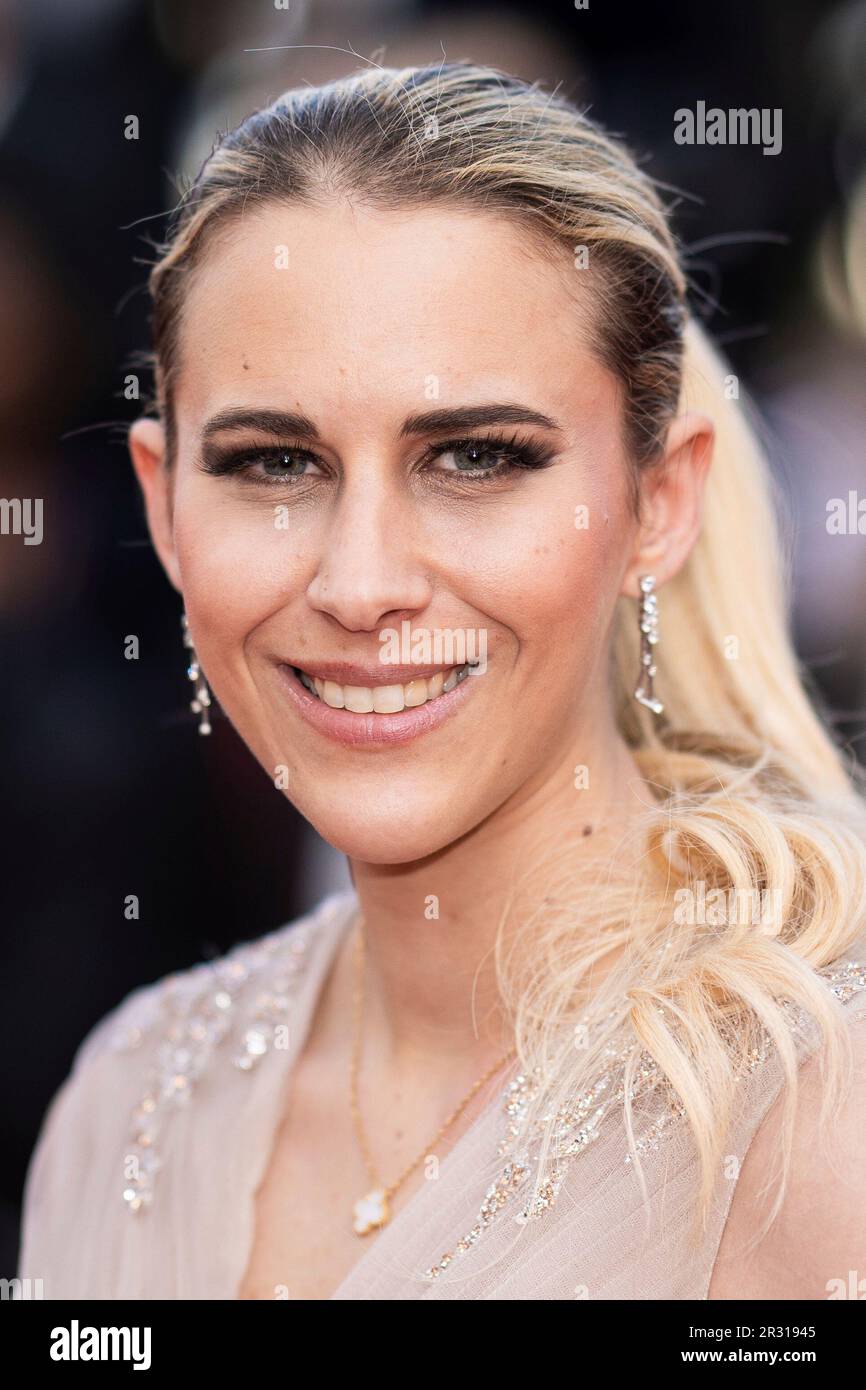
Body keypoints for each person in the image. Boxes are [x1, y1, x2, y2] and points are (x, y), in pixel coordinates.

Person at [18, 61, 866, 1300]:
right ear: (162, 507)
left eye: (473, 456)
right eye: (271, 464)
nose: (360, 584)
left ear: (657, 501)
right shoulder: (126, 1099)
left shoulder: (815, 1117)